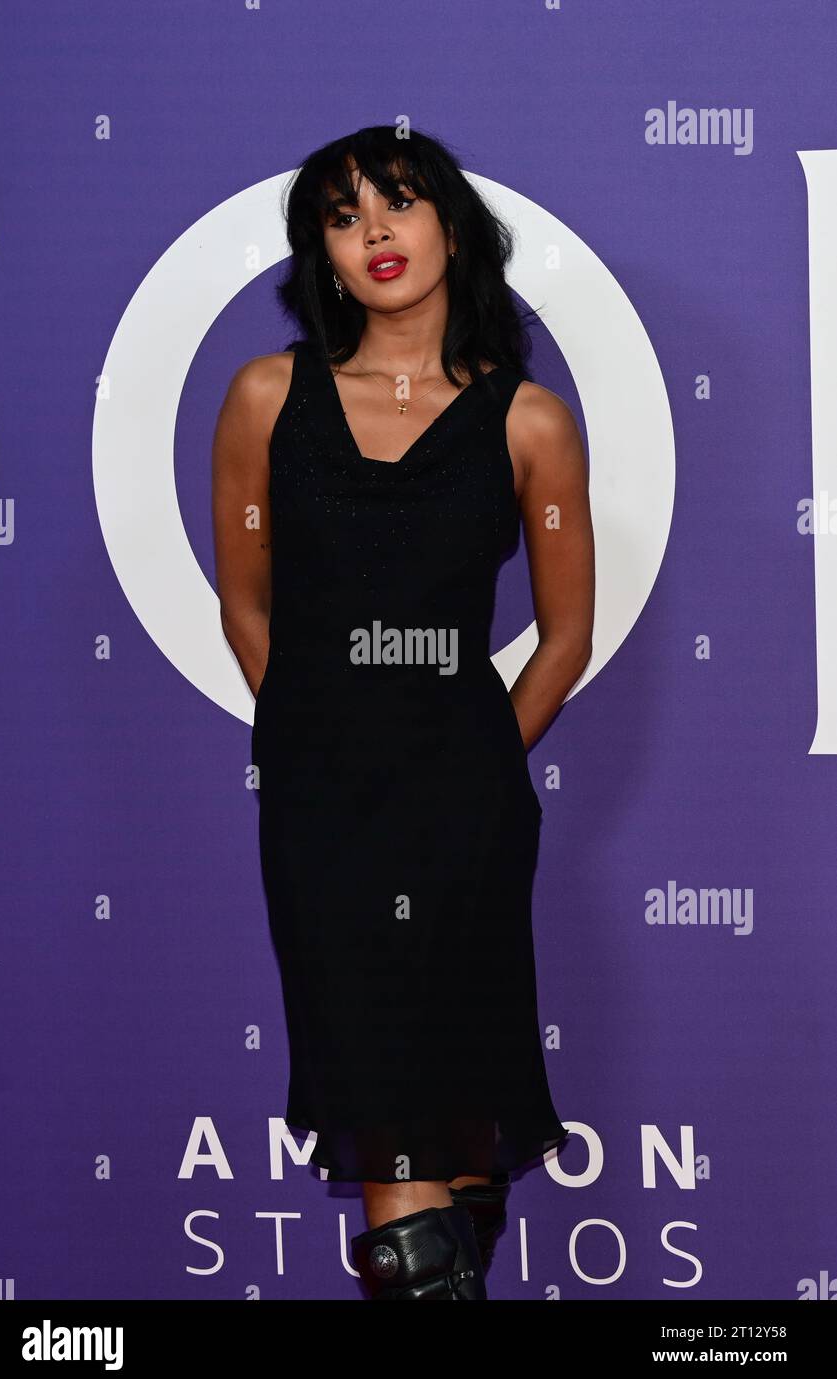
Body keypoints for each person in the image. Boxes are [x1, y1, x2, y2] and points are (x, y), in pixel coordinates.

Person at [212, 125, 594, 1300]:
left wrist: (464, 761)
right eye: (341, 213)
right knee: (386, 1116)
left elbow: (564, 639)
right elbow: (246, 604)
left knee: (456, 1136)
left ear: (451, 227)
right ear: (320, 254)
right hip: (328, 819)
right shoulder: (266, 397)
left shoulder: (527, 422)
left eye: (398, 200)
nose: (373, 228)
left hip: (464, 821)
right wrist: (328, 751)